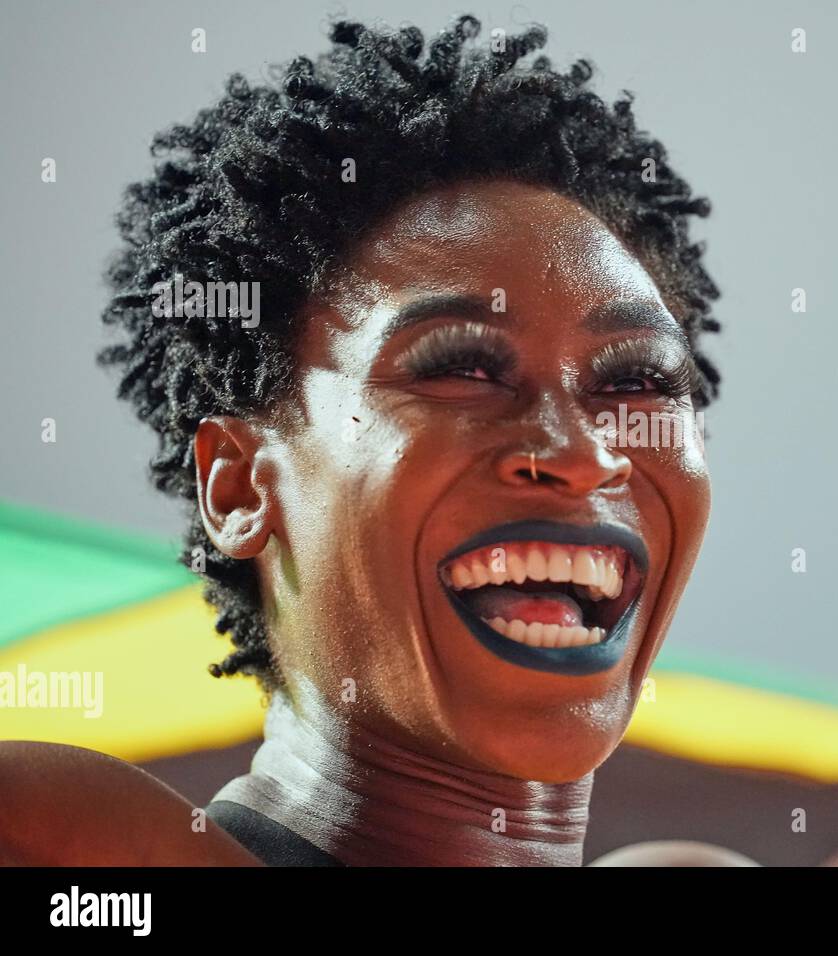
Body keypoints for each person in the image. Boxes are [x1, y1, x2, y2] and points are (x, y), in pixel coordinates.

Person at [0, 15, 742, 866]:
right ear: (239, 489)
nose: (582, 455)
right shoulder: (58, 844)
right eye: (462, 369)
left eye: (637, 381)